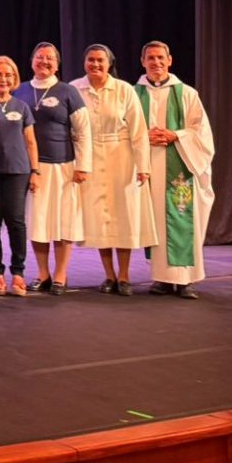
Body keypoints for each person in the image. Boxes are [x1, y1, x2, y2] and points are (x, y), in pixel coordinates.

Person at [136, 41, 216, 299]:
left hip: (180, 164)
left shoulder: (186, 94)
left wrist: (175, 135)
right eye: (151, 58)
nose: (156, 63)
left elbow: (201, 131)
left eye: (161, 58)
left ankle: (185, 280)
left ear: (170, 60)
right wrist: (143, 137)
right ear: (143, 62)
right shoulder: (134, 93)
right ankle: (160, 278)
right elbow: (125, 127)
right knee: (155, 221)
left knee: (181, 216)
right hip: (147, 166)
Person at [72, 44, 153, 295]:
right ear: (84, 62)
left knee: (122, 216)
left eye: (100, 61)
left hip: (122, 156)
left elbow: (139, 130)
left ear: (109, 64)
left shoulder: (124, 89)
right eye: (91, 60)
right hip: (90, 158)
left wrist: (144, 166)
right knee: (100, 220)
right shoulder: (75, 88)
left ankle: (125, 276)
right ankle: (109, 275)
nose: (95, 65)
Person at [15, 42, 90, 295]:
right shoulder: (20, 91)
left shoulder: (68, 92)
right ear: (31, 61)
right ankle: (42, 273)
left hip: (63, 167)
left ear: (57, 64)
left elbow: (82, 132)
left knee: (63, 221)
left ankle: (60, 275)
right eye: (39, 57)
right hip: (32, 169)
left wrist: (83, 166)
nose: (44, 62)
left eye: (49, 58)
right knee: (37, 221)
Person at [0, 56, 39, 296]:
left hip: (18, 172)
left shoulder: (21, 107)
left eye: (8, 75)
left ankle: (18, 273)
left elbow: (30, 142)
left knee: (16, 222)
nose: (3, 79)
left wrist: (35, 171)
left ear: (14, 79)